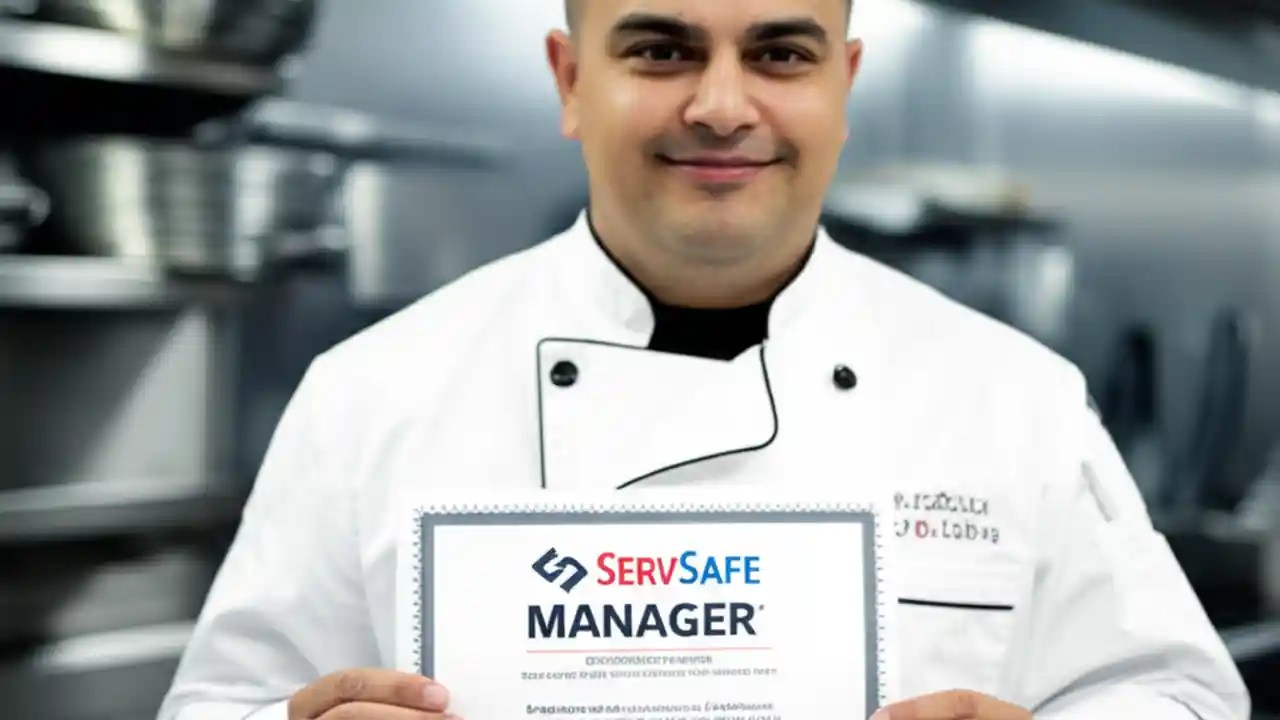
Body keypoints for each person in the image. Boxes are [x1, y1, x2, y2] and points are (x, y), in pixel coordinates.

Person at [157, 1, 1251, 718]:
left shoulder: (1014, 398)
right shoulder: (370, 391)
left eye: (778, 53)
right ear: (568, 79)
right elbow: (218, 704)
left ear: (842, 84)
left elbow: (1179, 696)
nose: (721, 106)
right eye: (659, 49)